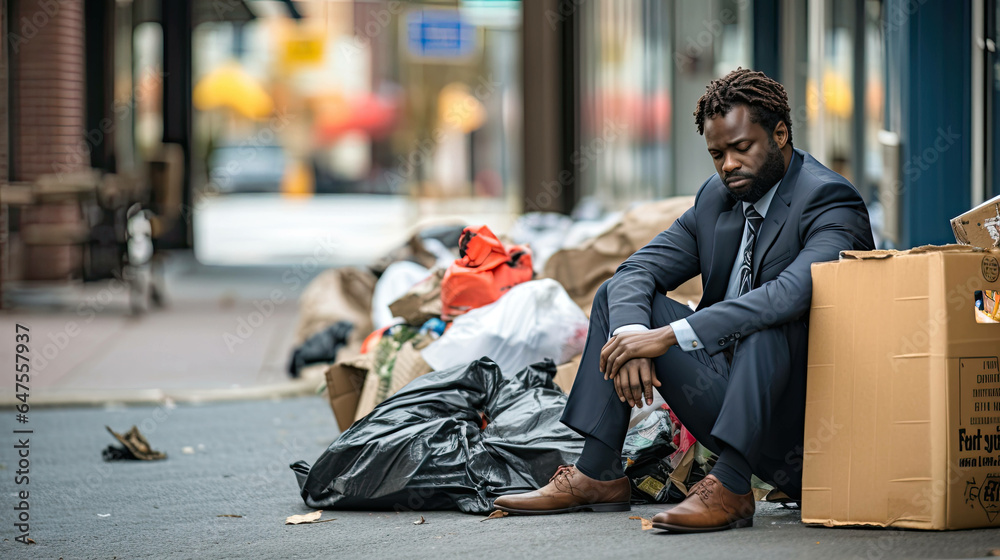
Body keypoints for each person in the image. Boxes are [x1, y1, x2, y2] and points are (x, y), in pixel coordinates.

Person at [493, 68, 875, 533]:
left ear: (779, 134)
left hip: (804, 427)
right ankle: (598, 472)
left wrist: (668, 336)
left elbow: (792, 293)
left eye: (741, 148)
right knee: (618, 295)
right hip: (727, 393)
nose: (728, 165)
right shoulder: (719, 199)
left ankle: (732, 486)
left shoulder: (829, 200)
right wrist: (633, 336)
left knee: (768, 317)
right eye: (717, 154)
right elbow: (638, 270)